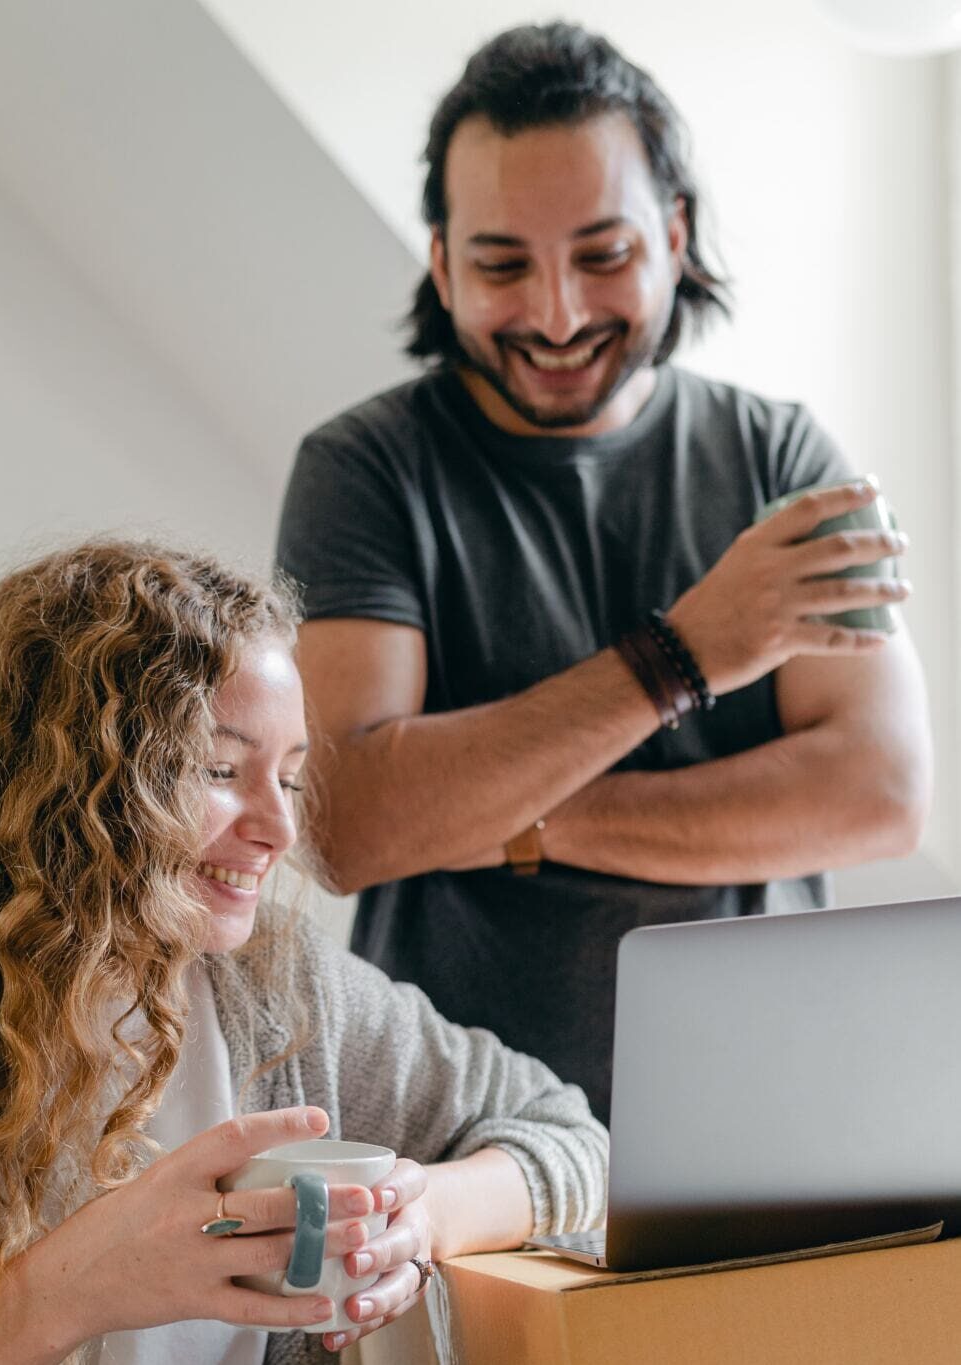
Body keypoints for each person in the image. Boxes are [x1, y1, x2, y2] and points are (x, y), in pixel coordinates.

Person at [0, 540, 605, 1365]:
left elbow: (572, 1140)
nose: (277, 828)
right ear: (68, 789)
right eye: (219, 771)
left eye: (292, 778)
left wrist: (419, 1211)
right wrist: (66, 1291)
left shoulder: (274, 988)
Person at [275, 22, 932, 1123]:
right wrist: (681, 657)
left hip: (760, 1109)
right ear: (441, 263)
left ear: (673, 237)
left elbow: (879, 795)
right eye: (500, 266)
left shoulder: (783, 460)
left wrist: (520, 817)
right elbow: (349, 828)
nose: (558, 313)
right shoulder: (364, 469)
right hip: (452, 1134)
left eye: (602, 254)